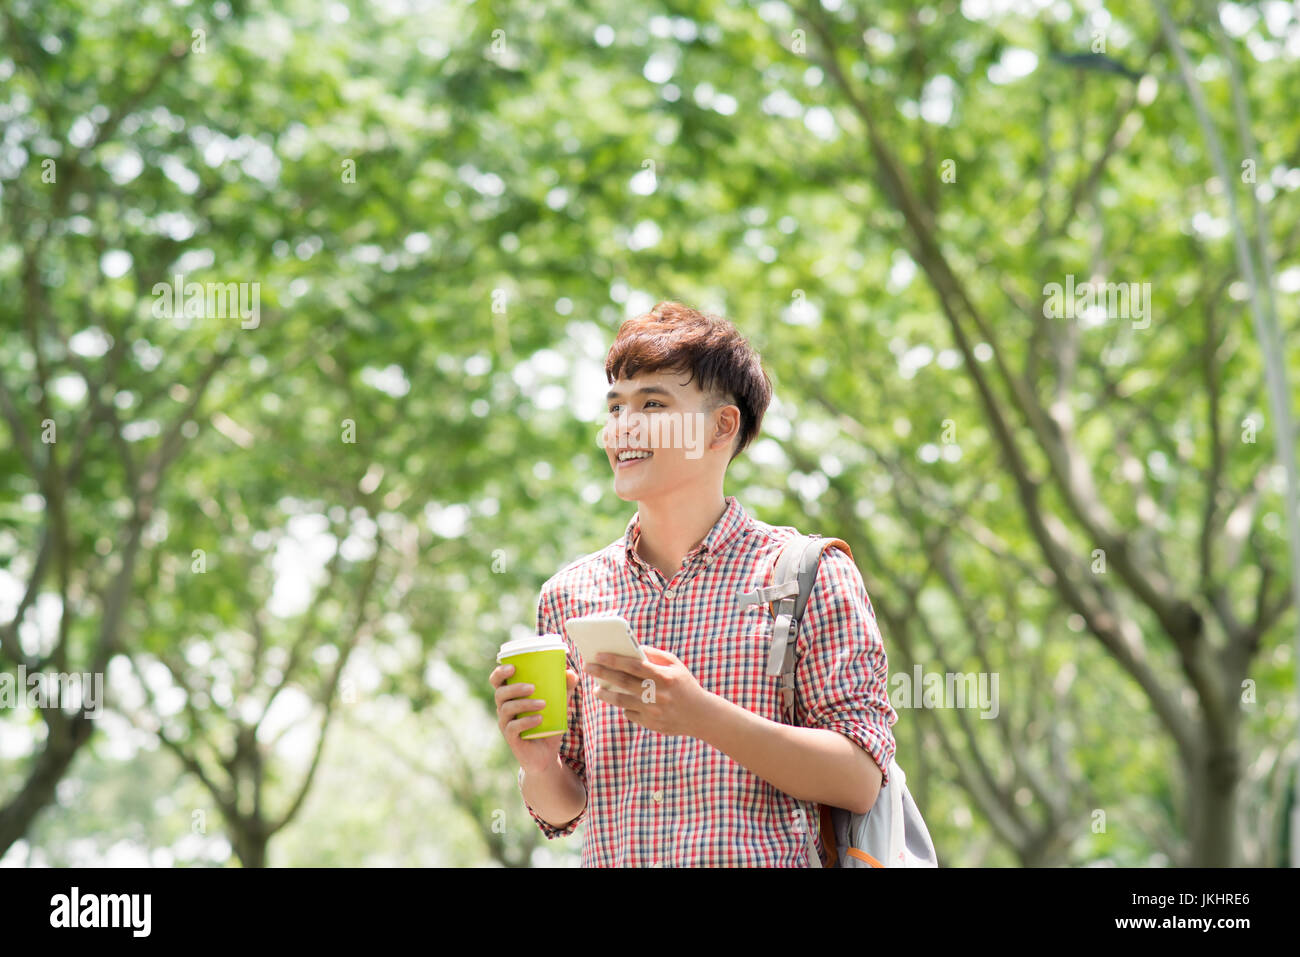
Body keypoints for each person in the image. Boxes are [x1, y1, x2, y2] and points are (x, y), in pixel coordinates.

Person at [489, 300, 897, 866]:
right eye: (615, 408)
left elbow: (859, 779)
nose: (623, 427)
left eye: (652, 404)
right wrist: (538, 767)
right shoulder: (571, 594)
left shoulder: (808, 575)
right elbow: (566, 810)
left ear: (721, 427)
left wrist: (700, 713)